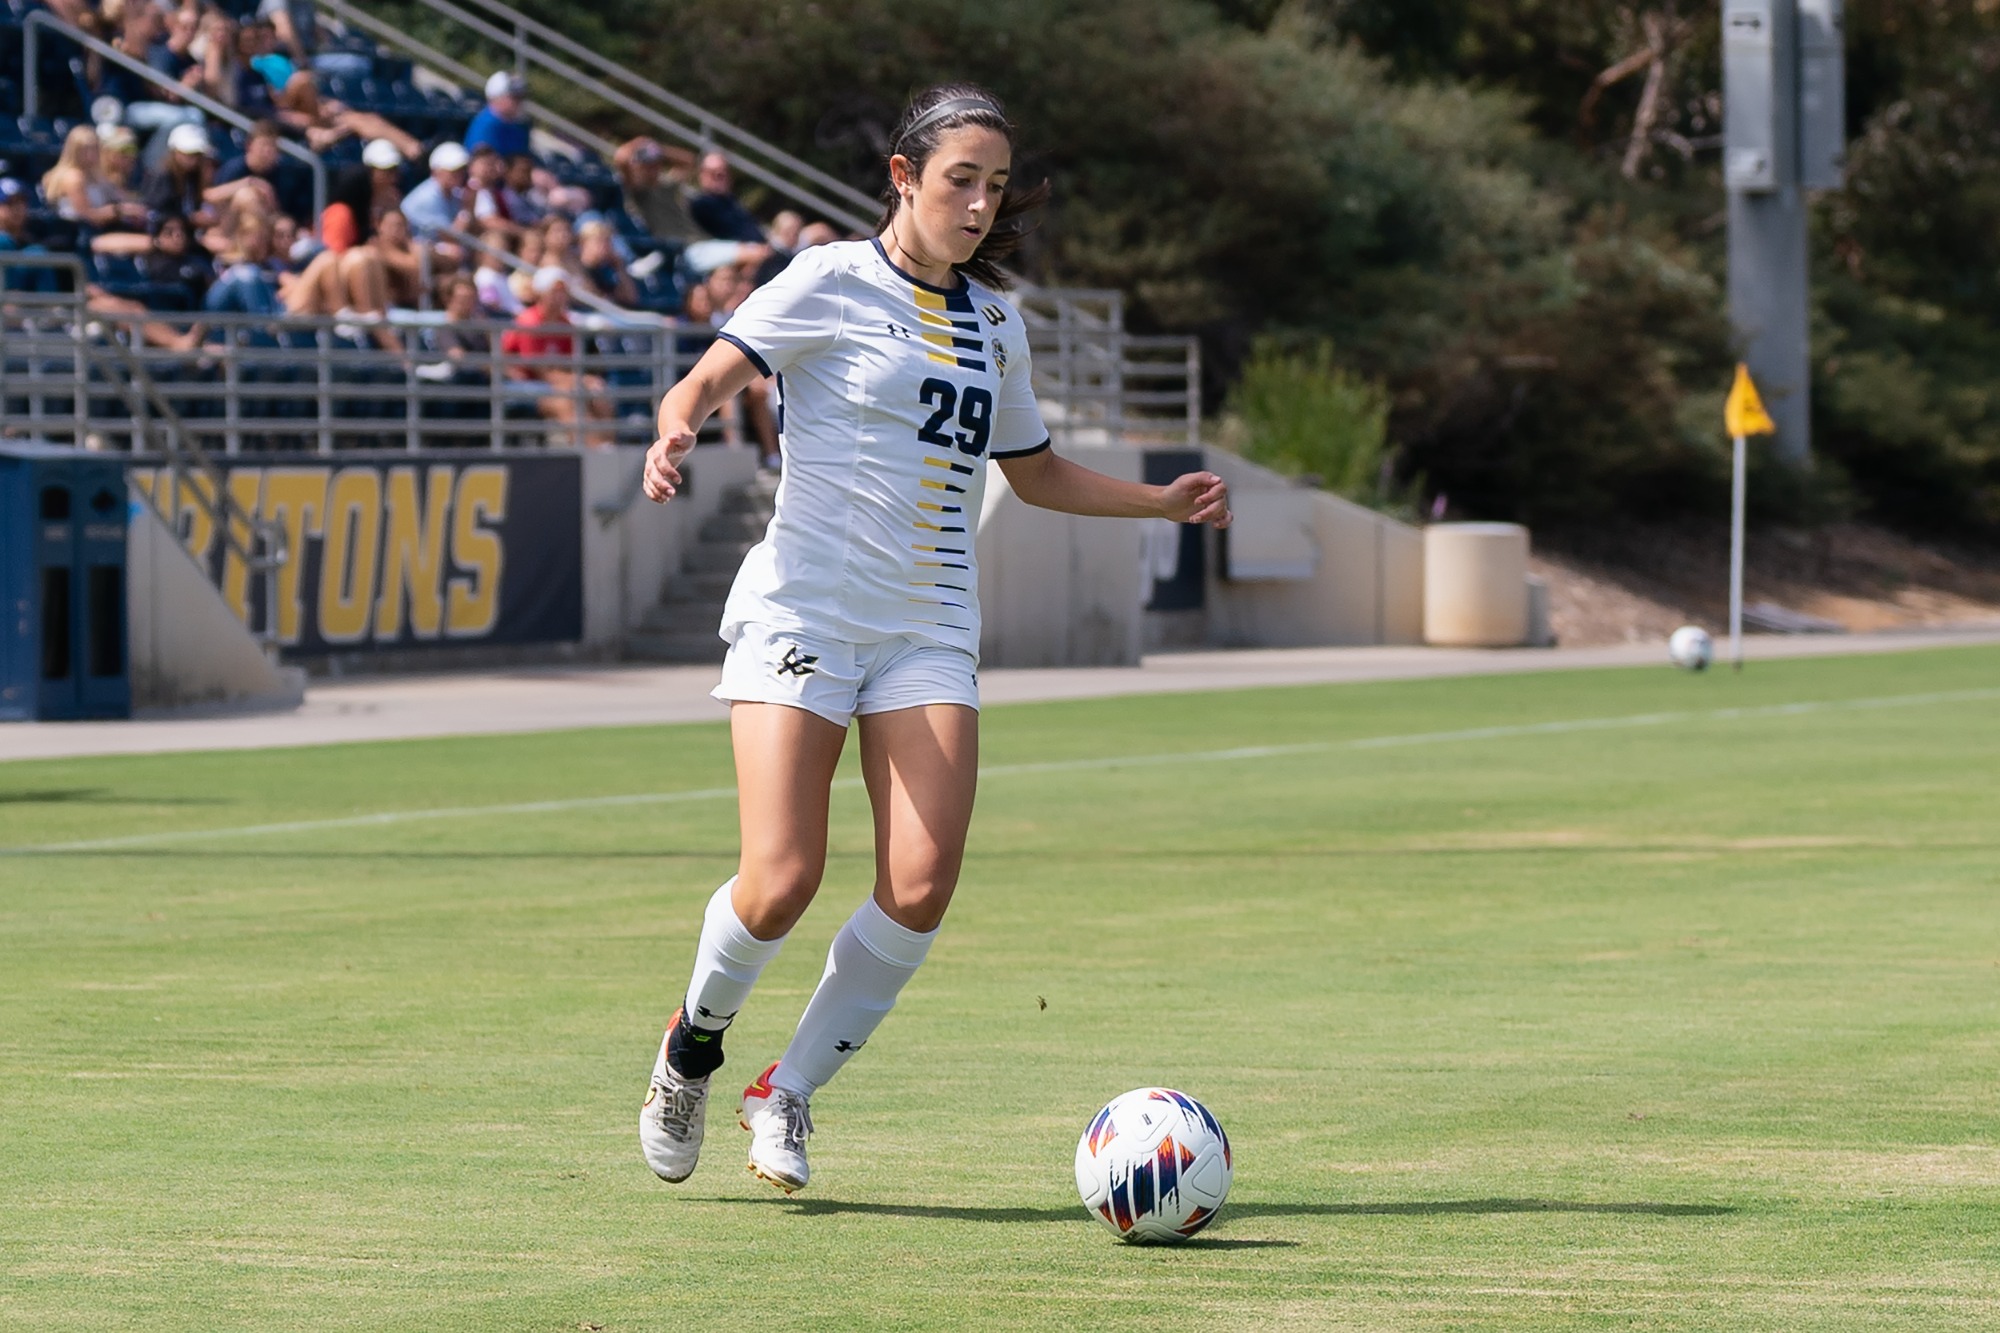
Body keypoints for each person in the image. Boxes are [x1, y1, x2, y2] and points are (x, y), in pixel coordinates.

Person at [632, 83, 1232, 1194]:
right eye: (960, 179)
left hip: (927, 622)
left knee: (920, 881)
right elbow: (707, 378)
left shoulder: (995, 322)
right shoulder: (825, 278)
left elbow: (1035, 473)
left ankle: (789, 1090)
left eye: (995, 186)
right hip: (805, 609)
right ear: (902, 178)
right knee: (780, 878)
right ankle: (691, 1048)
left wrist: (1158, 502)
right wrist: (674, 433)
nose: (978, 203)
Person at [501, 266, 612, 444]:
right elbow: (538, 370)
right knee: (566, 401)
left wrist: (583, 382)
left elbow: (567, 365)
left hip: (552, 382)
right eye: (554, 291)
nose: (560, 296)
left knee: (598, 393)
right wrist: (578, 381)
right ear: (542, 293)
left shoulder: (565, 324)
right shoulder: (529, 322)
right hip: (523, 383)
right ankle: (594, 449)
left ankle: (608, 447)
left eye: (563, 291)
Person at [42, 125, 150, 231]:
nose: (91, 154)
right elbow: (85, 215)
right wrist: (118, 211)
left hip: (98, 229)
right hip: (77, 232)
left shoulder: (95, 175)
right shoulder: (73, 177)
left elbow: (118, 196)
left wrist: (134, 207)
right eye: (85, 149)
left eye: (94, 148)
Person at [208, 121, 311, 226]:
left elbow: (283, 212)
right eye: (263, 145)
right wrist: (250, 183)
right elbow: (210, 196)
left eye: (272, 146)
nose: (267, 150)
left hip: (269, 227)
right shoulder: (235, 168)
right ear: (249, 145)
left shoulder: (284, 174)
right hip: (233, 226)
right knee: (247, 196)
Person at [613, 136, 699, 244]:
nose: (653, 169)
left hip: (691, 239)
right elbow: (620, 158)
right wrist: (638, 142)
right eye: (648, 166)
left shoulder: (666, 184)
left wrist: (659, 149)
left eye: (656, 164)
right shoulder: (637, 190)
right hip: (669, 244)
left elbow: (689, 160)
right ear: (639, 167)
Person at [141, 124, 219, 230]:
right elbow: (153, 213)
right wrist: (190, 219)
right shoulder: (161, 176)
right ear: (174, 152)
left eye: (197, 154)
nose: (193, 158)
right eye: (188, 153)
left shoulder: (193, 177)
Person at [687, 152, 767, 244]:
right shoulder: (702, 205)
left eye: (724, 172)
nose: (720, 175)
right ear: (702, 175)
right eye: (713, 173)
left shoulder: (731, 201)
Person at [400, 142, 472, 242]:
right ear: (436, 171)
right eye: (453, 170)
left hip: (433, 245)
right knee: (454, 253)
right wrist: (467, 210)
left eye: (462, 169)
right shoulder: (427, 197)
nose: (459, 174)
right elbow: (451, 237)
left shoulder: (455, 192)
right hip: (419, 248)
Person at [464, 71, 532, 160]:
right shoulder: (487, 125)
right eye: (514, 97)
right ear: (497, 97)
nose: (519, 102)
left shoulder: (518, 125)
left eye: (521, 97)